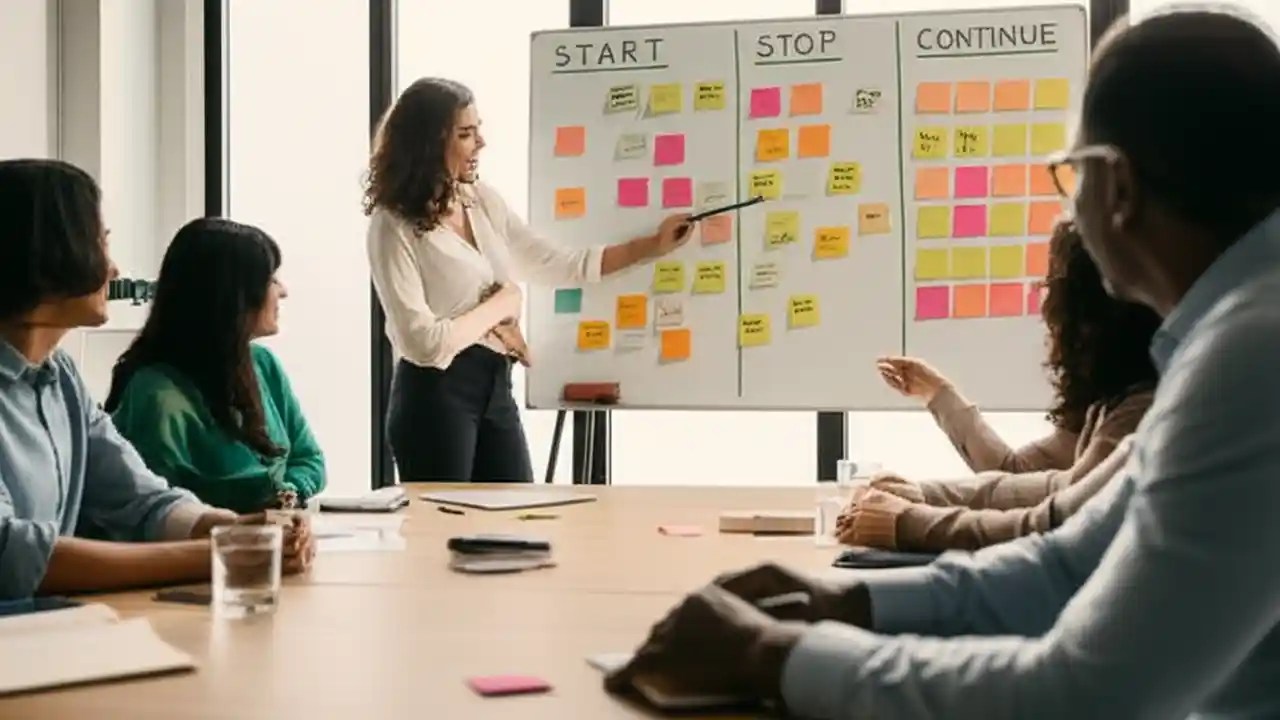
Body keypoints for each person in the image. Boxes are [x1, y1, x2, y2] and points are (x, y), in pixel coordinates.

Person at [604, 10, 1280, 718]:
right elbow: (1069, 564)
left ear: (1115, 183)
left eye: (1068, 171)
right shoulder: (1229, 336)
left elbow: (1084, 692)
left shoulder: (1254, 359)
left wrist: (770, 655)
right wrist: (846, 600)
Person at [0, 159, 313, 600]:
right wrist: (225, 551)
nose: (113, 268)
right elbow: (11, 556)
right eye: (100, 242)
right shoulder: (152, 389)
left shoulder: (61, 377)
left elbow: (140, 498)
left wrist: (232, 526)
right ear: (48, 248)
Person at [364, 77, 694, 483]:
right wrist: (501, 305)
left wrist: (652, 246)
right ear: (430, 144)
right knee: (442, 538)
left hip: (496, 383)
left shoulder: (481, 200)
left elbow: (559, 263)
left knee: (516, 526)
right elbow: (423, 343)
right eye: (466, 134)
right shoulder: (391, 225)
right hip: (434, 397)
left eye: (478, 129)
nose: (481, 142)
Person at [839, 221, 1158, 551]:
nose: (1046, 311)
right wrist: (923, 495)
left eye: (1052, 289)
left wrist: (910, 522)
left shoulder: (1139, 408)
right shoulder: (1115, 398)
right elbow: (1037, 479)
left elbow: (1063, 519)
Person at [104, 218, 326, 513]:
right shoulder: (157, 396)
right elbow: (157, 508)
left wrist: (287, 495)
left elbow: (311, 460)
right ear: (233, 293)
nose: (283, 291)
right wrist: (275, 500)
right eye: (271, 279)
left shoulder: (264, 363)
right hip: (201, 551)